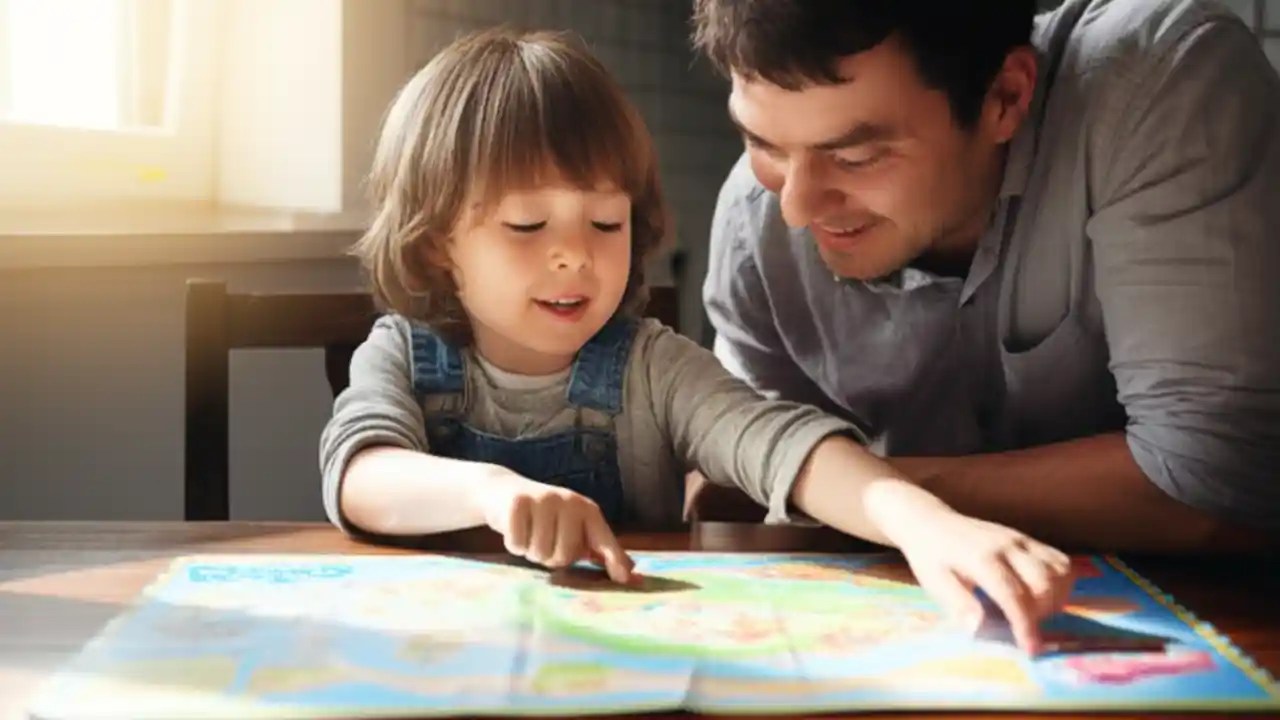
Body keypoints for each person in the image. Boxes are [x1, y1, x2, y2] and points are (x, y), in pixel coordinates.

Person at [319, 27, 1073, 653]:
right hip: (446, 654)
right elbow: (360, 475)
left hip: (625, 655)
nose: (574, 254)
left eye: (605, 223)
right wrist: (491, 493)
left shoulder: (655, 368)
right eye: (527, 225)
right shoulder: (403, 353)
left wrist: (924, 522)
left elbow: (783, 446)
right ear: (434, 248)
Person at [692, 0, 1280, 551]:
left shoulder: (1159, 88)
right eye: (762, 144)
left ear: (1005, 96)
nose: (795, 207)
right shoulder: (755, 215)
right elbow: (735, 482)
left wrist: (860, 493)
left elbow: (1216, 480)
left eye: (856, 157)